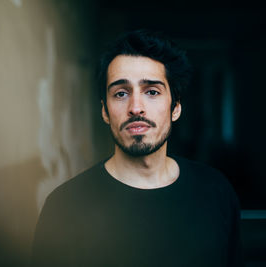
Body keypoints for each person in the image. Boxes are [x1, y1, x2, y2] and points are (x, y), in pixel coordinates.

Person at [31, 30, 243, 266]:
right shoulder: (64, 206)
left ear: (176, 108)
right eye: (121, 93)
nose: (136, 108)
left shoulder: (216, 191)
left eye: (152, 92)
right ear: (105, 111)